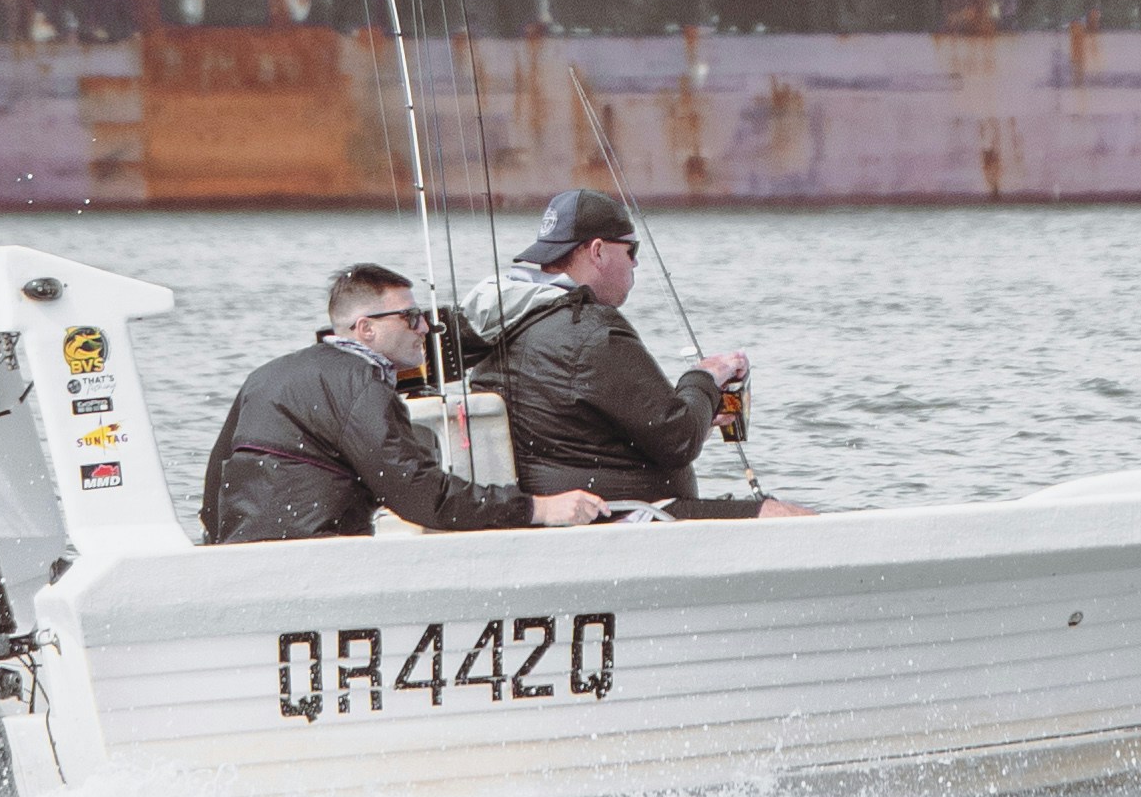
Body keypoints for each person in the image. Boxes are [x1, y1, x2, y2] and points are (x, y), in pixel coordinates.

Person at [199, 262, 613, 548]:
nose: (427, 327)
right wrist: (540, 508)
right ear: (366, 330)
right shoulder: (361, 383)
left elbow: (216, 485)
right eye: (411, 317)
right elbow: (422, 497)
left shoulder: (266, 375)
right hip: (320, 559)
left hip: (247, 551)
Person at [468, 192, 806, 515]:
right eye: (631, 250)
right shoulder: (592, 329)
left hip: (569, 502)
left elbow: (584, 427)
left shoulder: (506, 321)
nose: (637, 261)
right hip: (621, 514)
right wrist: (705, 377)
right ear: (598, 251)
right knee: (785, 516)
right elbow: (678, 439)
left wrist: (702, 410)